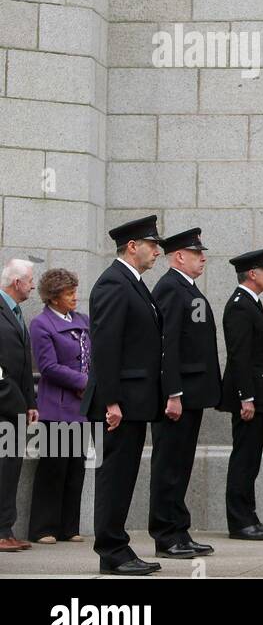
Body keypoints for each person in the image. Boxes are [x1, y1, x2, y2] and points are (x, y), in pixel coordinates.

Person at [84, 216, 165, 575]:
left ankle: (118, 547)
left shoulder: (133, 284)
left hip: (133, 402)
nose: (157, 251)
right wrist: (111, 401)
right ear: (133, 246)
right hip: (119, 405)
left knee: (123, 478)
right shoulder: (114, 284)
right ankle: (112, 552)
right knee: (114, 479)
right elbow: (105, 347)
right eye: (152, 245)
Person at [149, 228, 220, 559]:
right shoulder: (171, 288)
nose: (203, 257)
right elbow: (167, 345)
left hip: (191, 394)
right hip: (178, 397)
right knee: (169, 467)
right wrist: (172, 393)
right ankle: (166, 534)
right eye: (196, 253)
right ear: (179, 256)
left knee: (180, 466)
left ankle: (179, 529)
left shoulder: (185, 288)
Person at [218, 248, 263, 541]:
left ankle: (249, 516)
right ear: (252, 274)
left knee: (250, 458)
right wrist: (246, 397)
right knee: (244, 458)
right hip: (249, 398)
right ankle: (240, 521)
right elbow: (239, 356)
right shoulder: (241, 305)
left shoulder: (252, 304)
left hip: (257, 395)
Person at [27, 268, 89, 545]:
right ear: (53, 298)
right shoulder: (41, 325)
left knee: (76, 468)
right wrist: (85, 381)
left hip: (82, 407)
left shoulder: (84, 321)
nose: (75, 297)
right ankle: (43, 528)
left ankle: (69, 526)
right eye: (69, 293)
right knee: (54, 469)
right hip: (56, 406)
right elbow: (48, 367)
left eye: (75, 291)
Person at [0, 259, 37, 554]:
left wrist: (30, 402)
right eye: (30, 280)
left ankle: (5, 530)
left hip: (16, 407)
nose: (33, 285)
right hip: (3, 405)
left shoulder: (16, 312)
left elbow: (24, 364)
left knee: (10, 469)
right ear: (17, 283)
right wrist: (13, 399)